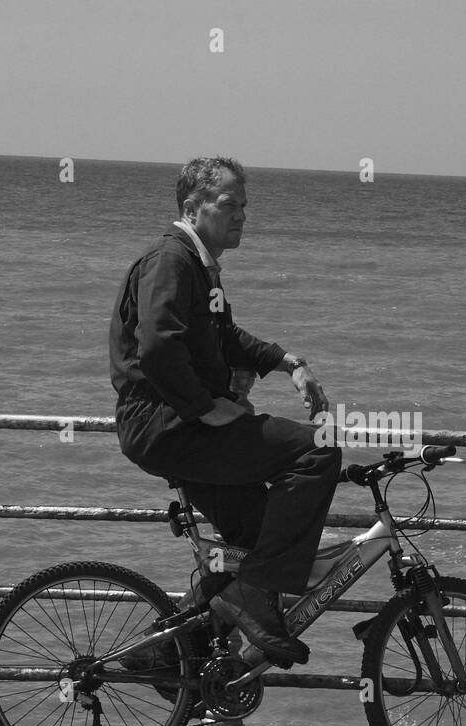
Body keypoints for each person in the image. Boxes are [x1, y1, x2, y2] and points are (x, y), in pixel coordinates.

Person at [109, 157, 341, 666]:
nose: (240, 215)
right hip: (168, 426)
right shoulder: (170, 261)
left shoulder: (202, 269)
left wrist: (285, 361)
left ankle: (166, 655)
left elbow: (224, 338)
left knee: (256, 537)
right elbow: (158, 344)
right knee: (317, 450)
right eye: (228, 204)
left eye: (245, 206)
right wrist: (205, 408)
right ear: (192, 208)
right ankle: (252, 597)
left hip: (177, 428)